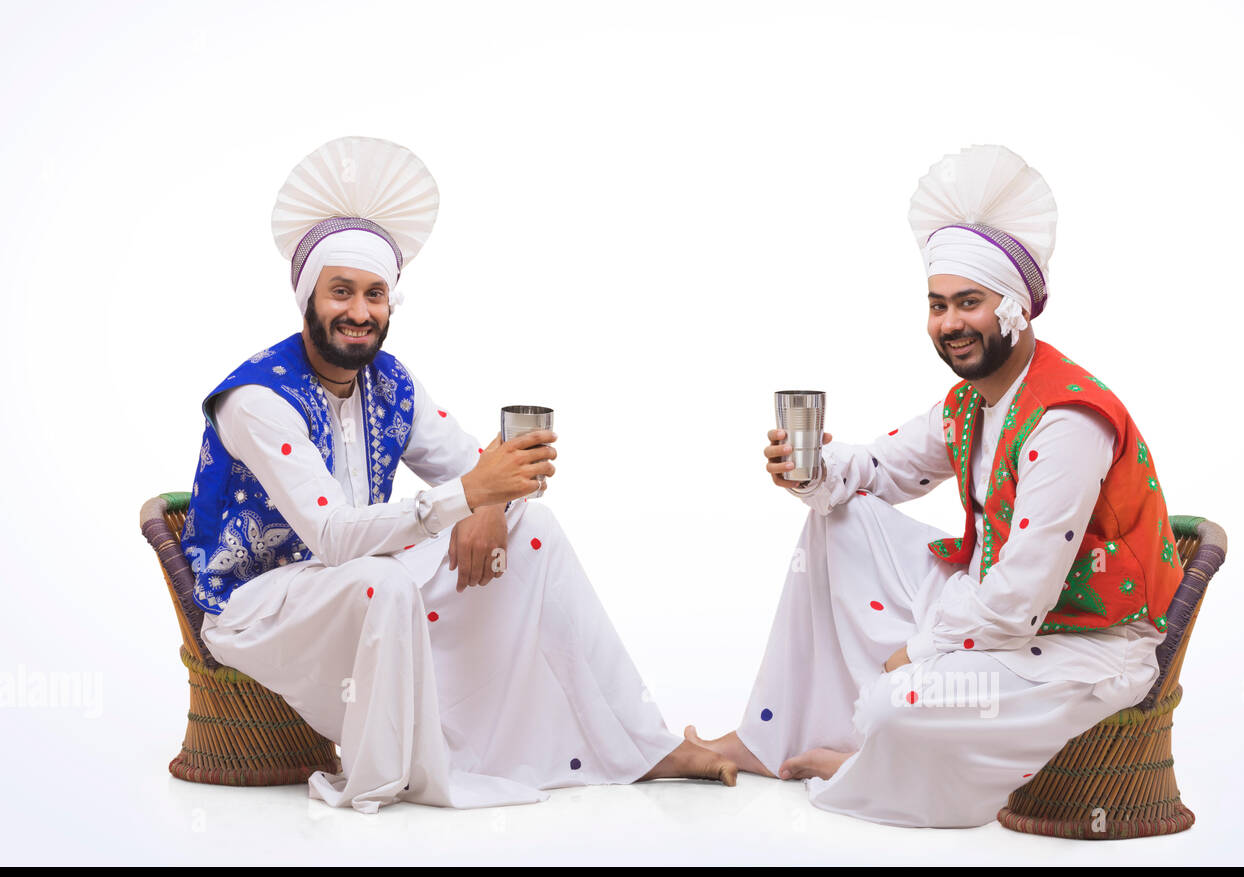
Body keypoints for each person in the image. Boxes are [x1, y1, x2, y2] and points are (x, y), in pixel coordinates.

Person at [182, 136, 735, 813]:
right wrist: (469, 495)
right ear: (307, 297)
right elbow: (330, 536)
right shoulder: (258, 401)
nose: (359, 312)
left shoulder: (387, 382)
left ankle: (641, 743)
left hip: (353, 575)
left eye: (375, 294)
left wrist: (490, 505)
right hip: (257, 603)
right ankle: (394, 773)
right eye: (341, 292)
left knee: (532, 525)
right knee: (380, 581)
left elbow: (475, 462)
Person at [687, 145, 1183, 827]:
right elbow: (883, 469)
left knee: (900, 704)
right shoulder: (973, 403)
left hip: (1084, 646)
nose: (950, 324)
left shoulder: (1066, 420)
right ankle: (770, 733)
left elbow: (1019, 599)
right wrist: (813, 473)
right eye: (938, 304)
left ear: (1016, 311)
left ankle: (865, 756)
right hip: (1003, 610)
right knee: (842, 519)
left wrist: (915, 652)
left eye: (969, 303)